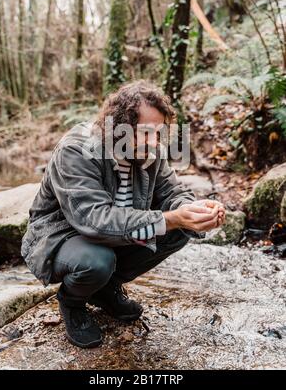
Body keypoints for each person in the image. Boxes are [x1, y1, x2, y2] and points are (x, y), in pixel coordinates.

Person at [21, 81, 225, 348]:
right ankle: (72, 301)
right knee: (97, 261)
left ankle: (104, 290)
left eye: (159, 133)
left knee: (179, 230)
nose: (154, 142)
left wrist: (193, 210)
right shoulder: (76, 150)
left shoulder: (151, 152)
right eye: (145, 132)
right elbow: (95, 220)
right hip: (61, 236)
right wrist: (170, 218)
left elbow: (174, 191)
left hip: (113, 233)